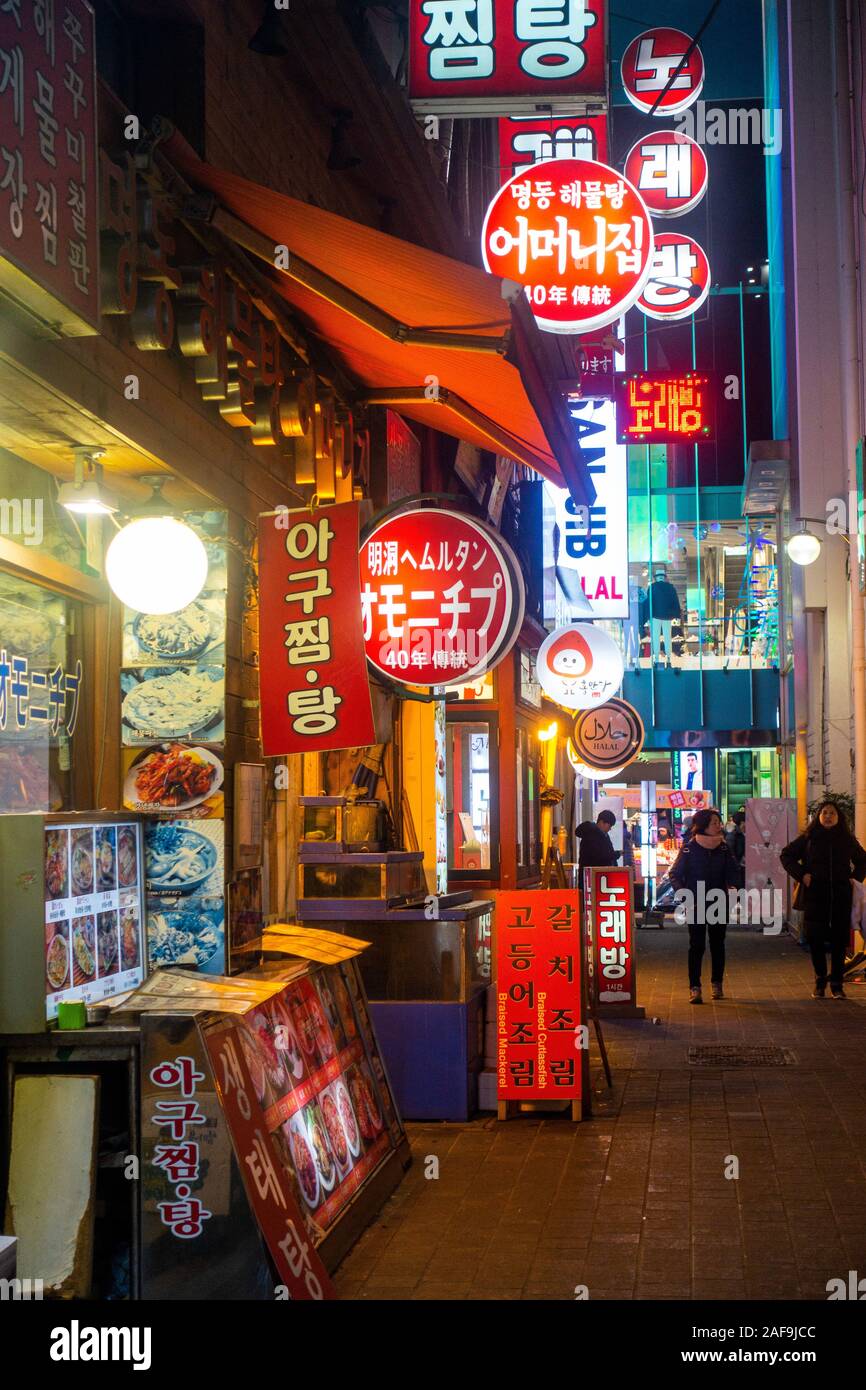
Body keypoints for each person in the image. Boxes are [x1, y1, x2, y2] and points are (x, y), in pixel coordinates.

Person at [780, 801, 866, 999]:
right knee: (816, 940)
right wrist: (802, 874)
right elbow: (786, 855)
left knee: (838, 942)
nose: (828, 816)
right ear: (818, 816)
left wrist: (854, 879)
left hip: (841, 896)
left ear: (839, 818)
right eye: (824, 812)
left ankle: (837, 984)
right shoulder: (809, 838)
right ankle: (820, 980)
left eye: (832, 813)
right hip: (815, 896)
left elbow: (863, 860)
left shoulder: (847, 840)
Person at [669, 808, 740, 1004]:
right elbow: (674, 874)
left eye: (719, 822)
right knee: (696, 946)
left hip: (719, 902)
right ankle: (695, 987)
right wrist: (685, 895)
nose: (719, 826)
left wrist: (734, 885)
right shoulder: (689, 848)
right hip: (696, 904)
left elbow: (734, 873)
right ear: (704, 826)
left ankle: (717, 984)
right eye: (715, 822)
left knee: (718, 945)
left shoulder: (724, 848)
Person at [648, 567, 681, 667]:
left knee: (656, 637)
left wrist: (648, 615)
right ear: (664, 577)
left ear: (656, 578)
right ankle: (669, 658)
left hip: (655, 616)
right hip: (667, 616)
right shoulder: (671, 587)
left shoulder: (652, 587)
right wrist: (676, 615)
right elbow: (675, 601)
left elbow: (649, 602)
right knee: (668, 637)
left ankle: (657, 658)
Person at [576, 810, 619, 876]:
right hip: (593, 877)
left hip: (598, 876)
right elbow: (599, 857)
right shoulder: (591, 835)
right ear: (602, 822)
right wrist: (616, 854)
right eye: (609, 826)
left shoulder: (601, 834)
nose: (610, 829)